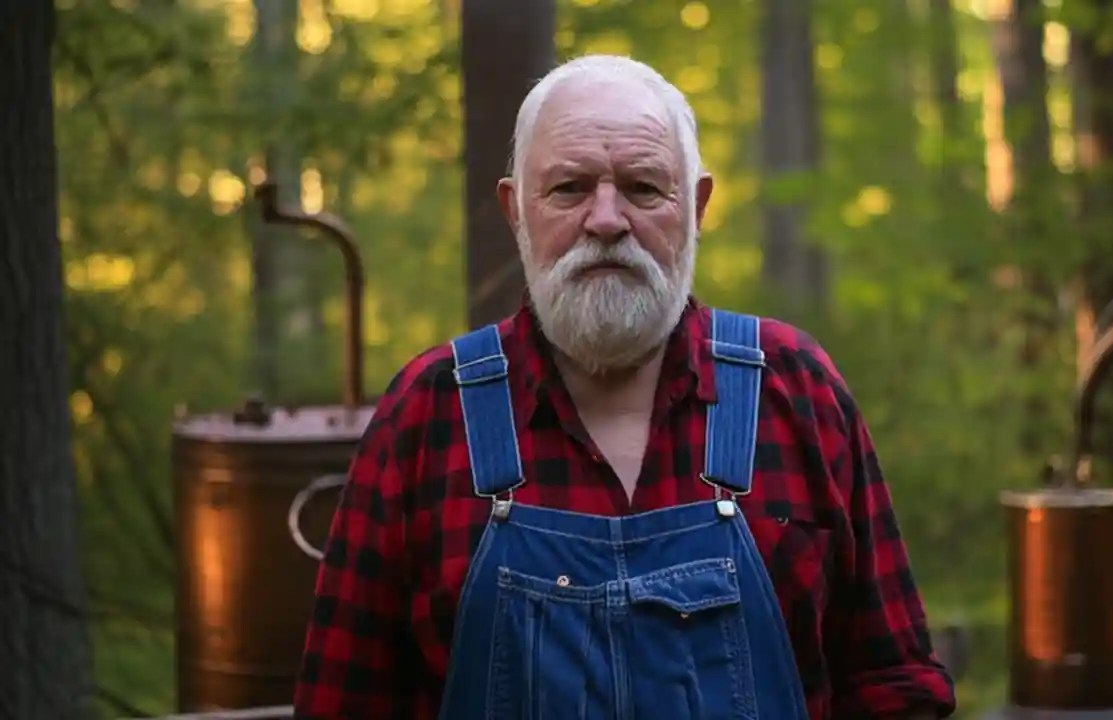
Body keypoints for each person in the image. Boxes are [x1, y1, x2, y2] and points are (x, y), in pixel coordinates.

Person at [292, 54, 956, 720]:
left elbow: (892, 685)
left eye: (642, 188)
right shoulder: (428, 415)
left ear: (696, 207)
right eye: (569, 189)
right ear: (516, 210)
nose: (606, 220)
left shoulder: (797, 393)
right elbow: (341, 703)